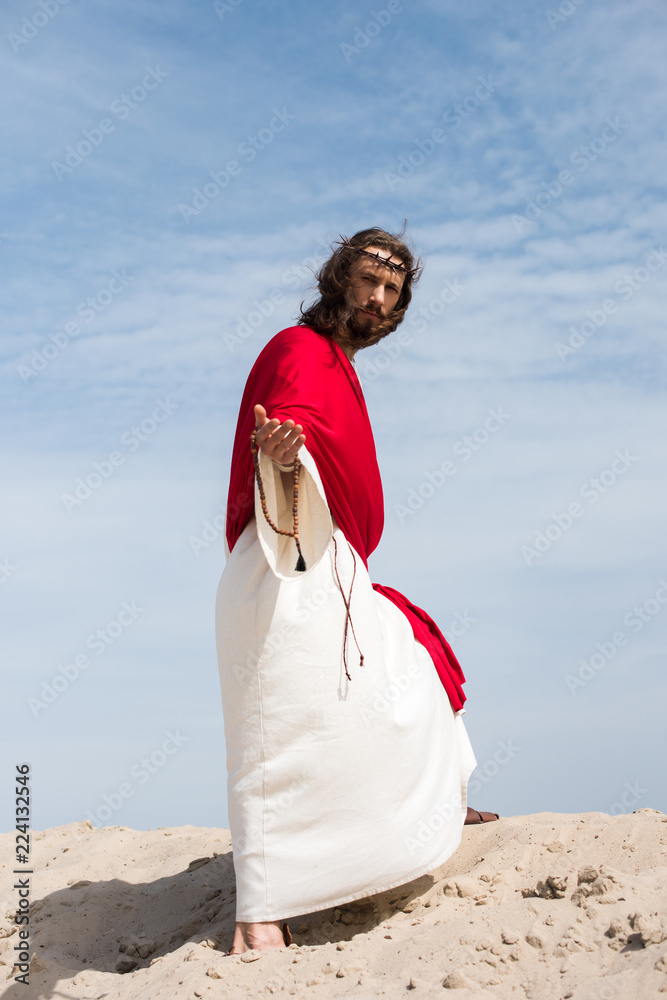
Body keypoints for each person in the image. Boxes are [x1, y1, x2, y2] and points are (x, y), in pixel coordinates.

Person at [215, 226, 496, 956]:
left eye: (391, 292)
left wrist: (290, 449)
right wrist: (283, 452)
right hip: (284, 563)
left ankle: (434, 804)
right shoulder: (298, 349)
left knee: (400, 671)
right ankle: (261, 915)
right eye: (369, 282)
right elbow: (285, 428)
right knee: (278, 732)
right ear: (339, 279)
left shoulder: (338, 365)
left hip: (326, 565)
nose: (377, 299)